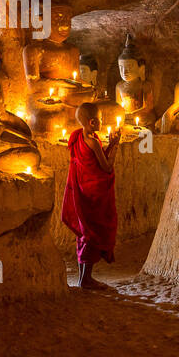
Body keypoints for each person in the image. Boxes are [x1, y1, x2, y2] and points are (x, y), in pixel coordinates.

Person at [60, 102, 120, 290]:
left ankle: (83, 278)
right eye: (100, 120)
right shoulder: (92, 142)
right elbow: (106, 167)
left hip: (82, 191)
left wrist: (108, 144)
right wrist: (115, 146)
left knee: (84, 233)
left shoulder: (78, 136)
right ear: (92, 122)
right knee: (92, 233)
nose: (102, 122)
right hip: (93, 194)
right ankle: (86, 279)